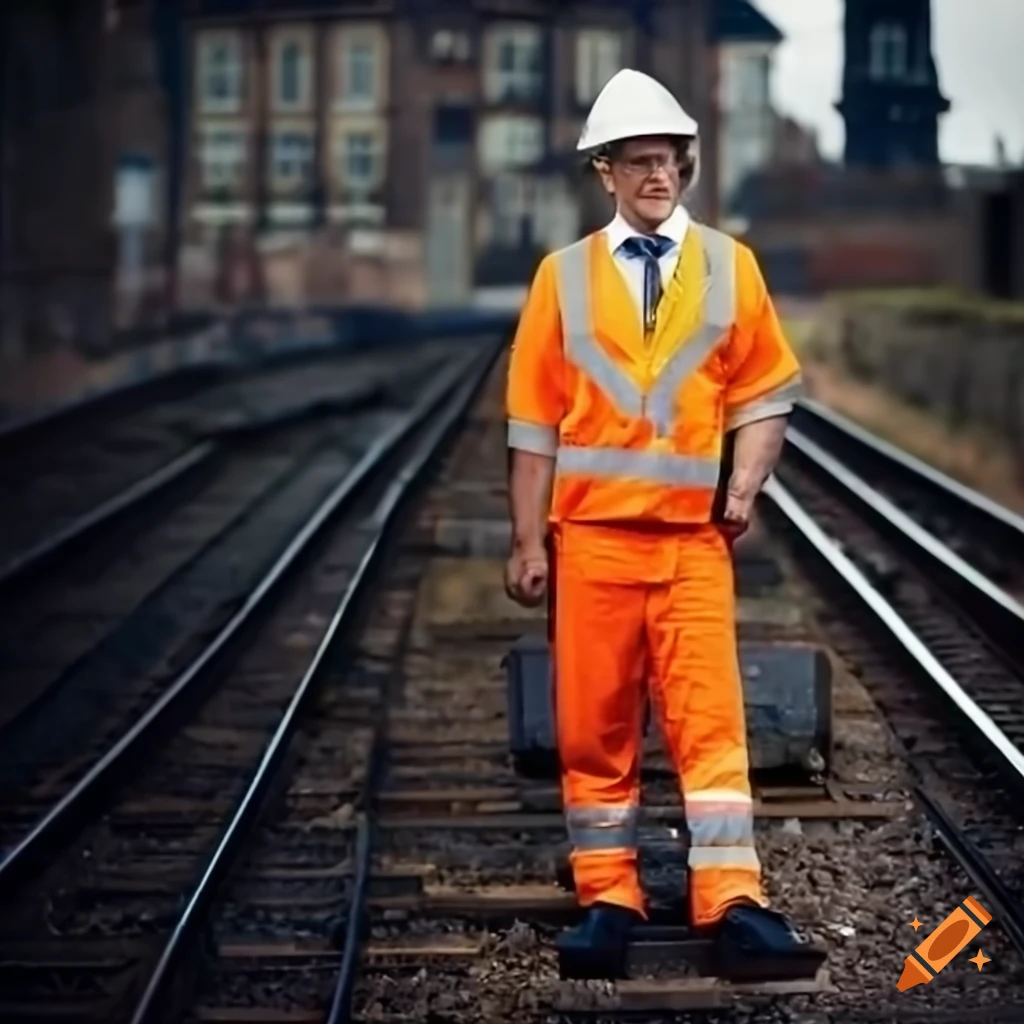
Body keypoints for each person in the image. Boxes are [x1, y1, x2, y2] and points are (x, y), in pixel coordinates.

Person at [503, 68, 808, 980]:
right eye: (638, 164)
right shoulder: (560, 280)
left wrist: (746, 485)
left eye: (670, 162)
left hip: (691, 545)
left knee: (711, 723)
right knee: (594, 729)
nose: (658, 178)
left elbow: (767, 394)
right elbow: (532, 426)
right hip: (591, 542)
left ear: (688, 164)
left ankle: (733, 900)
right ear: (605, 171)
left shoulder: (731, 267)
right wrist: (527, 541)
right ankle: (609, 894)